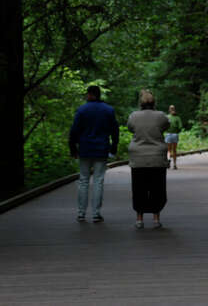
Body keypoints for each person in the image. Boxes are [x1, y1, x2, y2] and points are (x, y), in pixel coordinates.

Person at [69, 84, 119, 223]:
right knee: (98, 181)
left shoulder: (82, 110)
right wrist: (114, 146)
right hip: (101, 149)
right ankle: (96, 213)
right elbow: (115, 130)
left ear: (89, 94)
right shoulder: (108, 110)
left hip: (85, 149)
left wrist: (72, 147)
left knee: (83, 180)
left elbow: (74, 130)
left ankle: (81, 213)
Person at [126, 89, 170, 229]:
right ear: (154, 102)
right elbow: (166, 126)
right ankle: (156, 219)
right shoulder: (161, 116)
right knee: (157, 188)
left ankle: (139, 219)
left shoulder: (133, 116)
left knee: (139, 189)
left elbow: (130, 129)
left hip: (138, 158)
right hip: (157, 157)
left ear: (141, 103)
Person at [164, 104, 183, 169]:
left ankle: (168, 160)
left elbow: (164, 126)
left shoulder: (166, 117)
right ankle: (174, 164)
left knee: (168, 150)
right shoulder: (177, 118)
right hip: (175, 134)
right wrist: (177, 131)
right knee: (174, 150)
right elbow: (180, 127)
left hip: (168, 134)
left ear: (169, 110)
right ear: (174, 110)